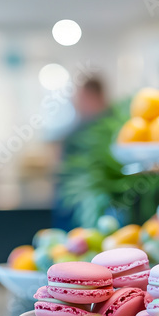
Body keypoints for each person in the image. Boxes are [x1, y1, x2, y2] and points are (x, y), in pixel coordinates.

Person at [52, 77, 109, 230]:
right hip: (73, 204)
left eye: (82, 98)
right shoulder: (77, 131)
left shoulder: (101, 129)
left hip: (86, 206)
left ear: (96, 97)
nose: (78, 104)